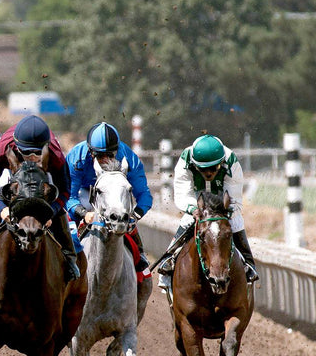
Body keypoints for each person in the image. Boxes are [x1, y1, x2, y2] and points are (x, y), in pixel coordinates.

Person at [0, 115, 80, 282]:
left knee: (58, 211)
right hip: (13, 174)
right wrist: (1, 208)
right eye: (26, 152)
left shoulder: (55, 155)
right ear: (17, 147)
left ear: (45, 148)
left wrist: (52, 212)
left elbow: (65, 190)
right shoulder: (2, 150)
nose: (32, 157)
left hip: (42, 177)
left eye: (37, 153)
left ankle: (69, 257)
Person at [157, 134, 259, 288]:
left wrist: (224, 212)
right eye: (203, 169)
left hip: (222, 202)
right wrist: (193, 209)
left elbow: (235, 199)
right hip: (197, 200)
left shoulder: (231, 161)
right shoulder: (185, 160)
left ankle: (249, 265)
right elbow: (182, 193)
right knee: (187, 220)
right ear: (195, 164)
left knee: (236, 221)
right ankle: (169, 259)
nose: (209, 174)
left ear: (221, 162)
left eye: (214, 168)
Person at [66, 121, 152, 267]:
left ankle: (141, 258)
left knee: (124, 213)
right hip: (84, 192)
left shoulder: (128, 158)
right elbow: (69, 195)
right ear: (91, 151)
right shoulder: (76, 157)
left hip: (114, 191)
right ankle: (67, 257)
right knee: (68, 221)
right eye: (100, 156)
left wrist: (135, 215)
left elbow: (144, 195)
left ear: (116, 150)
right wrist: (83, 213)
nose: (105, 160)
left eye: (110, 155)